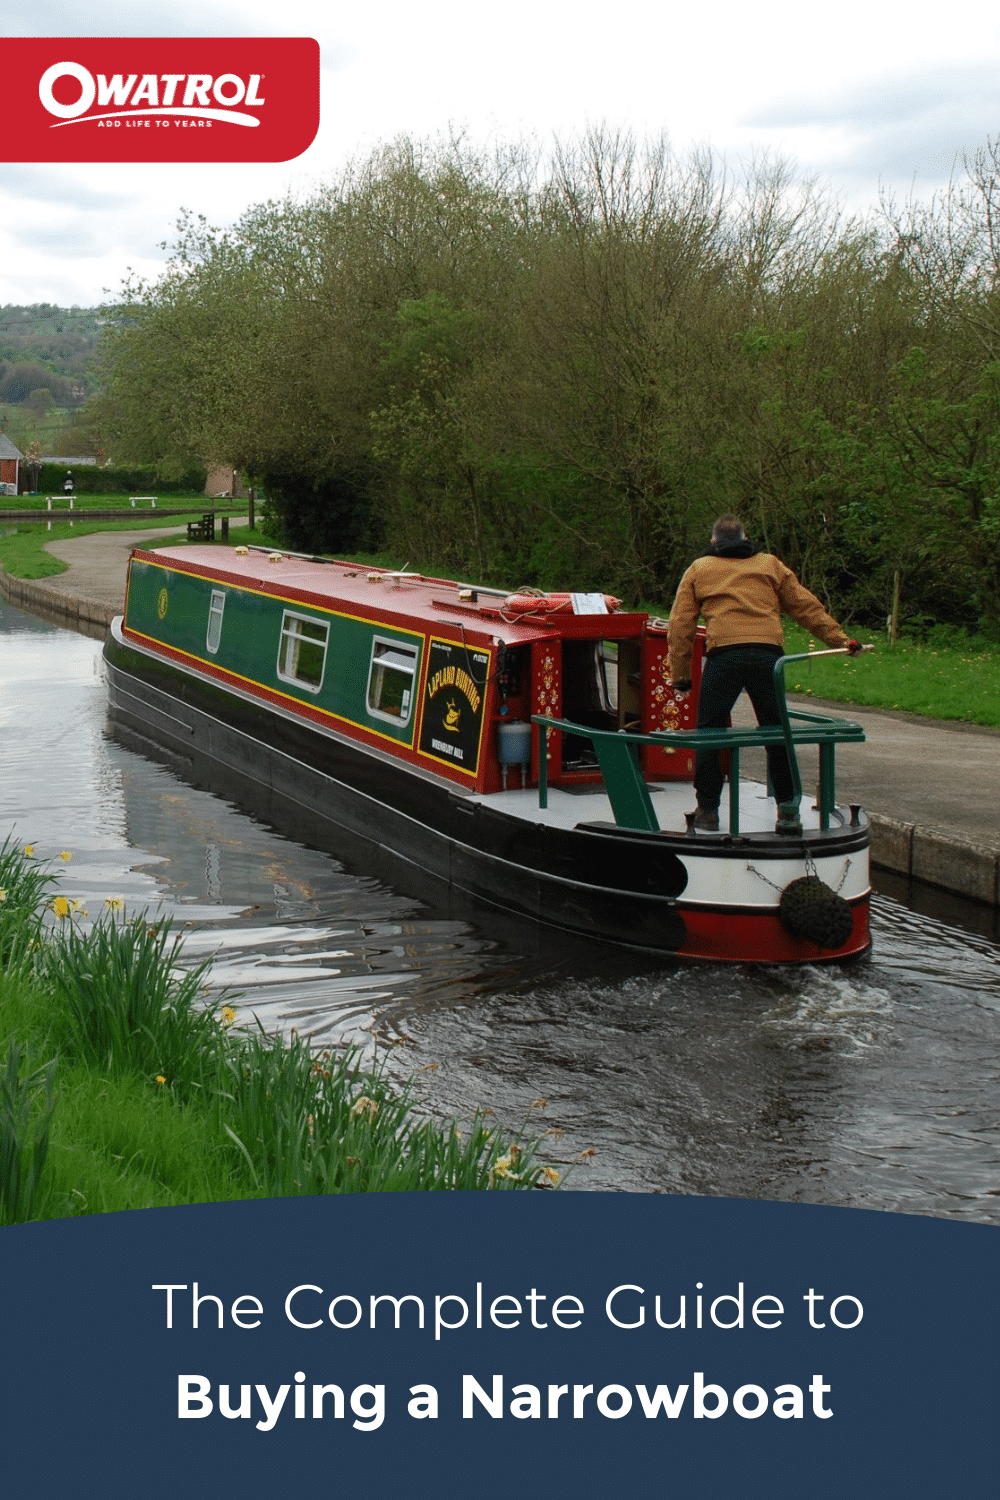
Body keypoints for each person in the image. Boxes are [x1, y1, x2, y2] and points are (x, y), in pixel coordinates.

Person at [668, 514, 861, 835]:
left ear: (714, 541)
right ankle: (787, 810)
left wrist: (681, 677)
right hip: (768, 657)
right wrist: (841, 641)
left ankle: (708, 811)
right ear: (745, 538)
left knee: (709, 733)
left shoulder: (699, 569)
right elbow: (806, 606)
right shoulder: (770, 565)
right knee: (777, 732)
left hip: (724, 657)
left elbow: (680, 626)